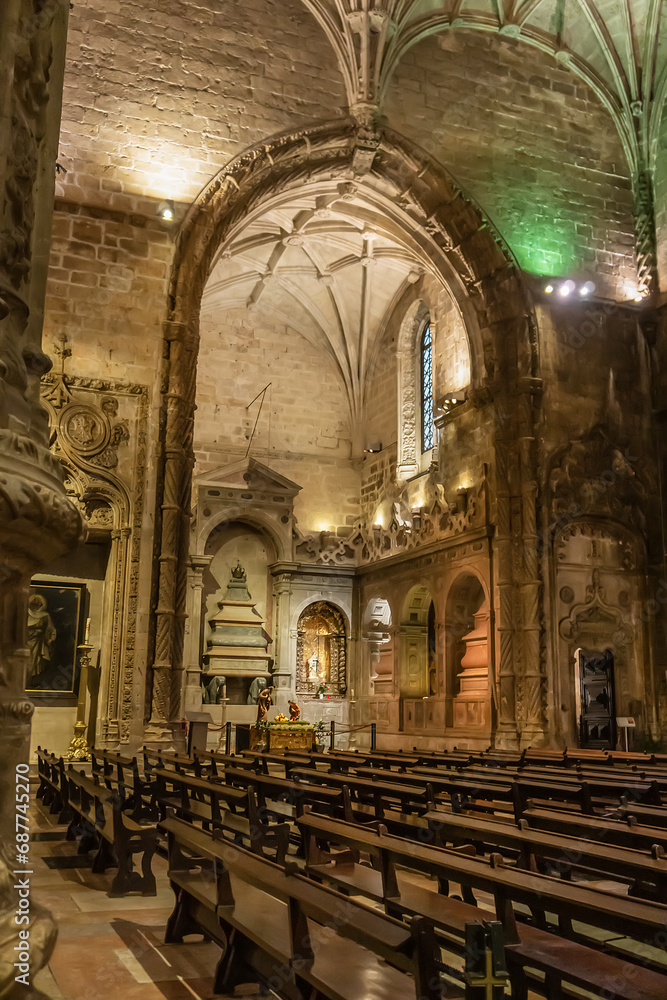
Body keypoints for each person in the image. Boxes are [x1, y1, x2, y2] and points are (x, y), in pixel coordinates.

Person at [27, 593, 56, 687]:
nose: (35, 606)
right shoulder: (25, 613)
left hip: (38, 642)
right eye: (33, 604)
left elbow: (50, 628)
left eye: (37, 604)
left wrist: (51, 638)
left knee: (36, 662)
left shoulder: (45, 616)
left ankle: (33, 681)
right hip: (26, 642)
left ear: (41, 605)